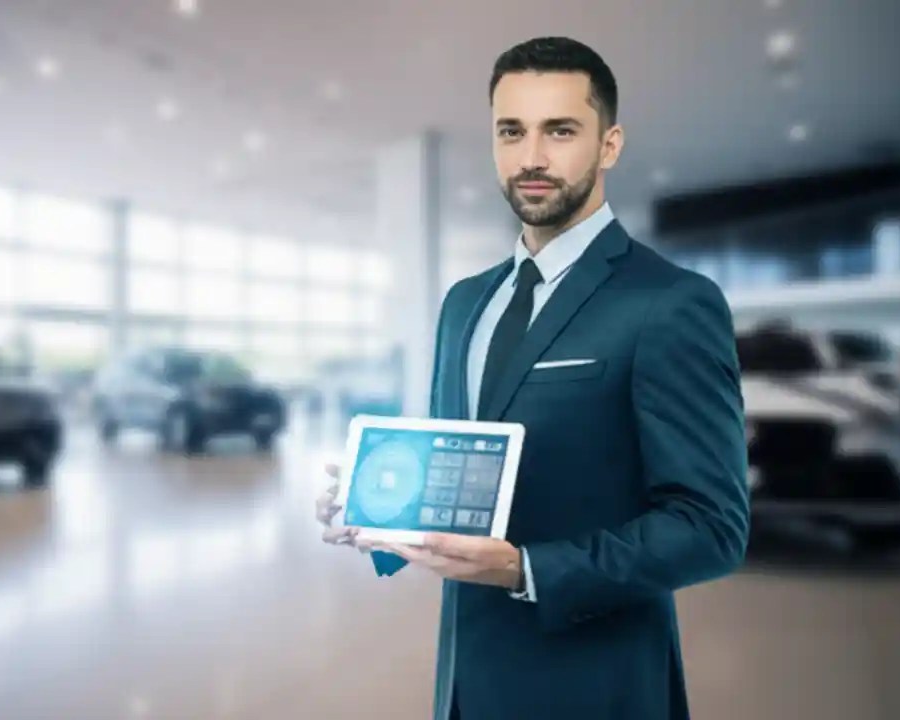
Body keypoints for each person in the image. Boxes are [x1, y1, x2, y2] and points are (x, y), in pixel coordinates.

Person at [317, 36, 749, 720]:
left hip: (596, 686)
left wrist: (527, 569)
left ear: (609, 145)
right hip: (466, 681)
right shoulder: (466, 302)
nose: (533, 158)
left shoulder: (669, 302)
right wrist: (378, 512)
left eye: (561, 131)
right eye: (512, 132)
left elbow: (711, 527)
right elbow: (454, 472)